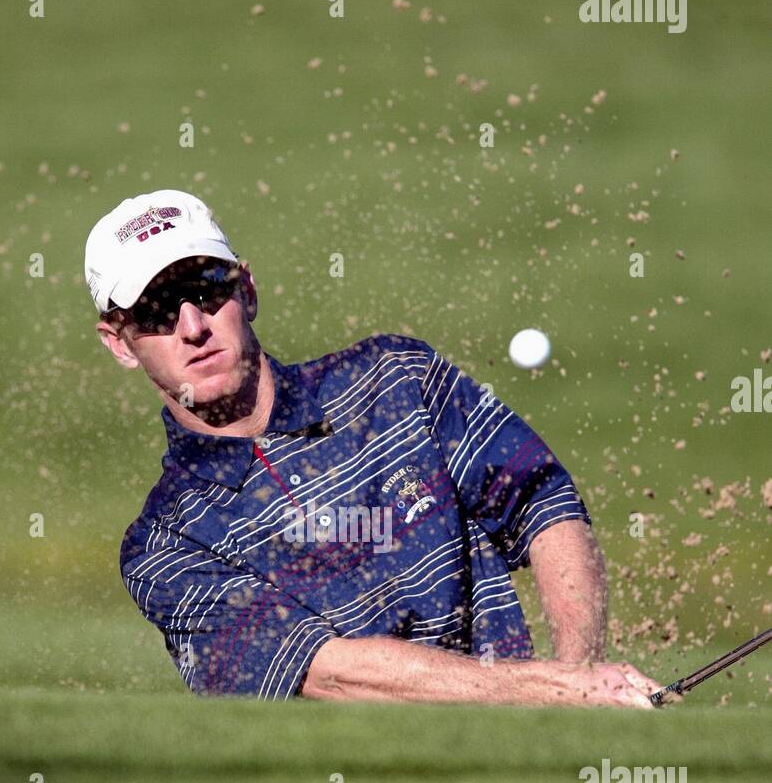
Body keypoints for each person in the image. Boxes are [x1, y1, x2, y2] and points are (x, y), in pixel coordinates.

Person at [84, 189, 662, 707]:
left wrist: (576, 673)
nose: (192, 326)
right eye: (157, 311)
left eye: (206, 290)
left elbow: (544, 504)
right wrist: (546, 692)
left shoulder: (393, 379)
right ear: (119, 342)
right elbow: (323, 672)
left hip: (517, 767)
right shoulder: (164, 548)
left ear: (247, 290)